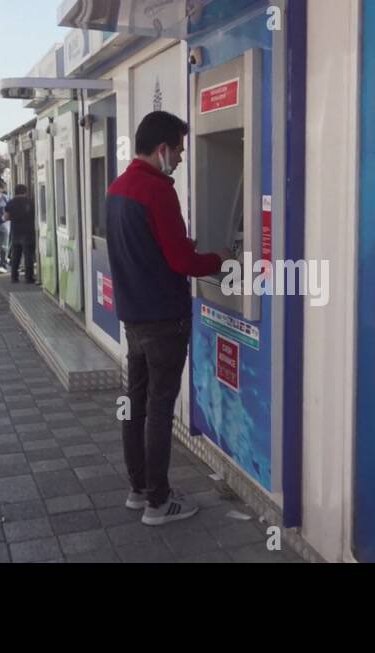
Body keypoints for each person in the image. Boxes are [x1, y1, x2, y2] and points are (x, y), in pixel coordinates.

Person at [105, 111, 232, 527]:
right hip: (163, 318)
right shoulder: (158, 191)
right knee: (160, 409)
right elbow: (181, 261)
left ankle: (138, 489)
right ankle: (159, 503)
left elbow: (143, 249)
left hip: (135, 318)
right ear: (162, 149)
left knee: (136, 404)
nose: (179, 158)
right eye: (178, 149)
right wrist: (221, 258)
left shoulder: (118, 188)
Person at [3, 184, 36, 284]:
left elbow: (6, 217)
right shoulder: (30, 202)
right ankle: (29, 278)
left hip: (15, 232)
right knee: (28, 256)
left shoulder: (10, 203)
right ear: (25, 192)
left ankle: (14, 277)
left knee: (16, 256)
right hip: (28, 232)